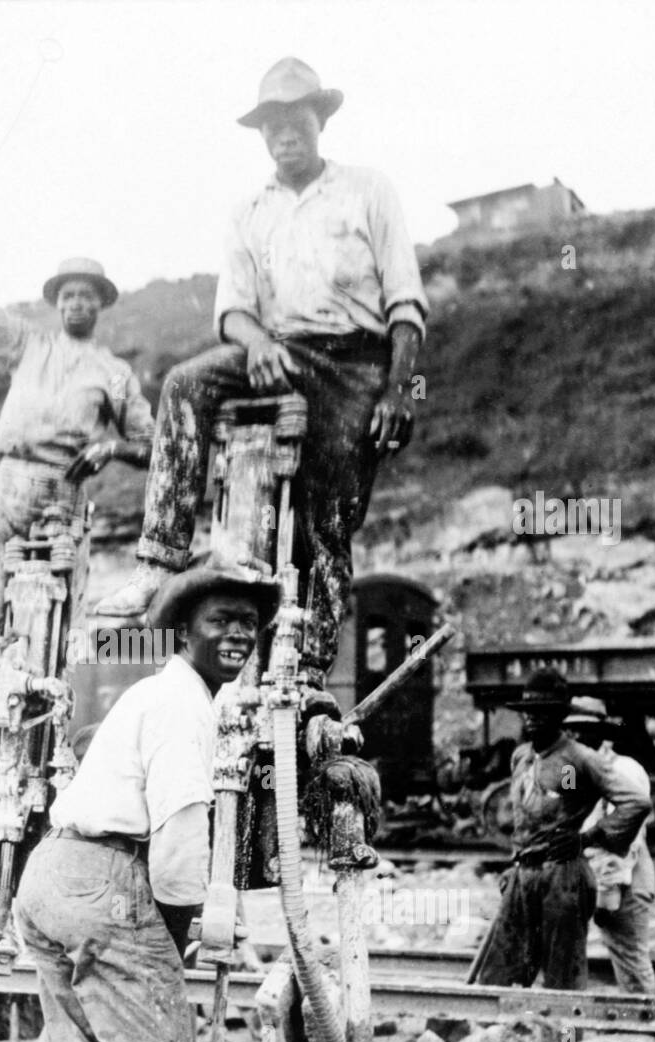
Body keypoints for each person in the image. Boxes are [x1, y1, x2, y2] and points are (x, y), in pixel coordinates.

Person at [97, 56, 428, 676]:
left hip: (355, 362)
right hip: (277, 351)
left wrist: (399, 390)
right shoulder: (249, 211)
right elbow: (234, 310)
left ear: (319, 119)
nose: (284, 135)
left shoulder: (368, 190)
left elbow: (405, 303)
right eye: (271, 125)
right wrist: (255, 344)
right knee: (184, 383)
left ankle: (310, 664)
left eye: (295, 119)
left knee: (327, 512)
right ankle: (160, 560)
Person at [13, 566, 280, 1042]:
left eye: (247, 623)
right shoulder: (181, 705)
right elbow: (178, 842)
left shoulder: (155, 693)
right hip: (107, 878)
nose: (236, 635)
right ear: (182, 631)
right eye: (219, 620)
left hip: (52, 876)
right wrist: (191, 928)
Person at [0, 172, 156, 777]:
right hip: (8, 491)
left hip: (65, 501)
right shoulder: (26, 345)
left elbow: (155, 445)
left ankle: (47, 755)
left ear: (101, 304)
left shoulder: (114, 372)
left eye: (87, 295)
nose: (76, 303)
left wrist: (113, 448)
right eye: (67, 294)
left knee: (60, 628)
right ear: (55, 302)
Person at [476, 670, 652, 991]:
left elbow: (636, 802)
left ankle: (566, 1040)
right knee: (501, 970)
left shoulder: (581, 759)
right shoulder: (521, 757)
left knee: (562, 974)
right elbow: (524, 818)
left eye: (543, 712)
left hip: (563, 876)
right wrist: (514, 864)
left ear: (559, 715)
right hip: (523, 873)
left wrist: (588, 837)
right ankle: (501, 1035)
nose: (533, 719)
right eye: (528, 711)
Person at [564, 697, 655, 994]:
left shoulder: (621, 771)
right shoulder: (586, 771)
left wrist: (608, 895)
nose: (575, 738)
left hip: (624, 880)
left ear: (601, 734)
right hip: (604, 878)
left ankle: (647, 1028)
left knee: (629, 956)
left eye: (582, 731)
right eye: (571, 731)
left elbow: (621, 840)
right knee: (621, 951)